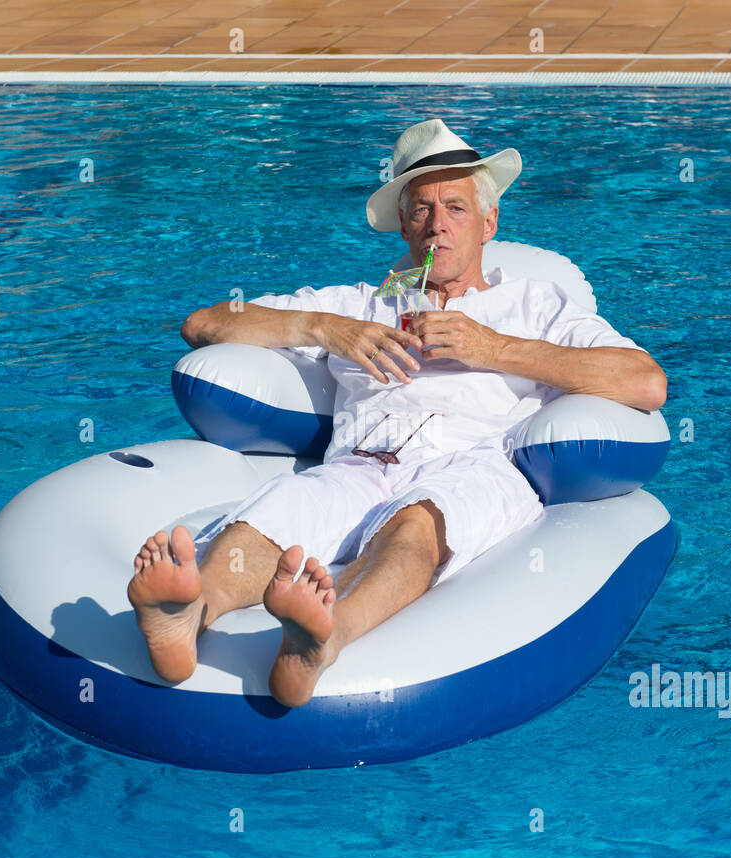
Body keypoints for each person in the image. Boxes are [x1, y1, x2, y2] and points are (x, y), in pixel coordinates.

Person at [127, 119, 667, 707]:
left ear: (489, 223)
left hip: (472, 465)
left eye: (456, 208)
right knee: (278, 512)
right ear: (404, 226)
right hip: (359, 465)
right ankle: (188, 610)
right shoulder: (360, 305)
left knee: (418, 523)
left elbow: (645, 381)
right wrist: (321, 327)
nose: (438, 223)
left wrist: (493, 349)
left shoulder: (537, 304)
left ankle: (322, 640)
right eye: (422, 209)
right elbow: (204, 323)